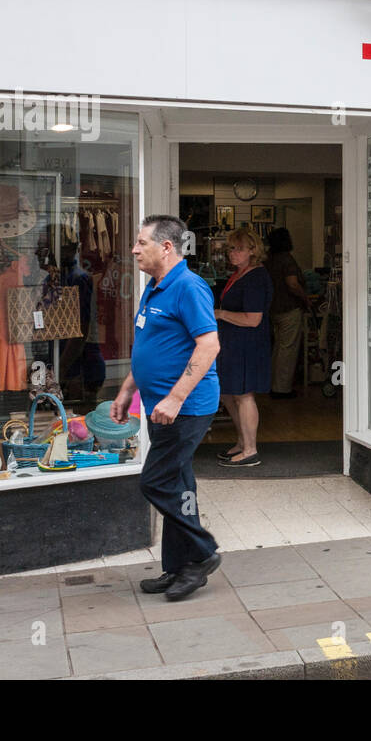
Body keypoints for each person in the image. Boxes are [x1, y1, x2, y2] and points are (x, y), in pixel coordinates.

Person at [111, 215, 223, 601]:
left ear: (167, 247)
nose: (134, 249)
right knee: (178, 485)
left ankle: (203, 553)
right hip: (160, 407)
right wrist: (128, 389)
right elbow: (147, 347)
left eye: (141, 243)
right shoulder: (154, 286)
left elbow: (208, 345)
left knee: (155, 482)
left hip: (186, 409)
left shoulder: (189, 287)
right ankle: (180, 568)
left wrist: (175, 398)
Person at [214, 228, 274, 467]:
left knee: (244, 395)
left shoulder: (256, 278)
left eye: (238, 249)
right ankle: (241, 442)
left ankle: (250, 450)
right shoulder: (239, 274)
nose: (233, 253)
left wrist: (220, 314)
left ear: (253, 250)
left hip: (248, 345)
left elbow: (253, 319)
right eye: (230, 248)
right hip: (232, 344)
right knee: (229, 393)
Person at [264, 227, 311, 398]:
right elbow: (292, 283)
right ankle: (282, 389)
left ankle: (272, 384)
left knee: (278, 348)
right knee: (288, 349)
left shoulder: (269, 260)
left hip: (272, 308)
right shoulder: (287, 260)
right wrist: (305, 298)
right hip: (289, 308)